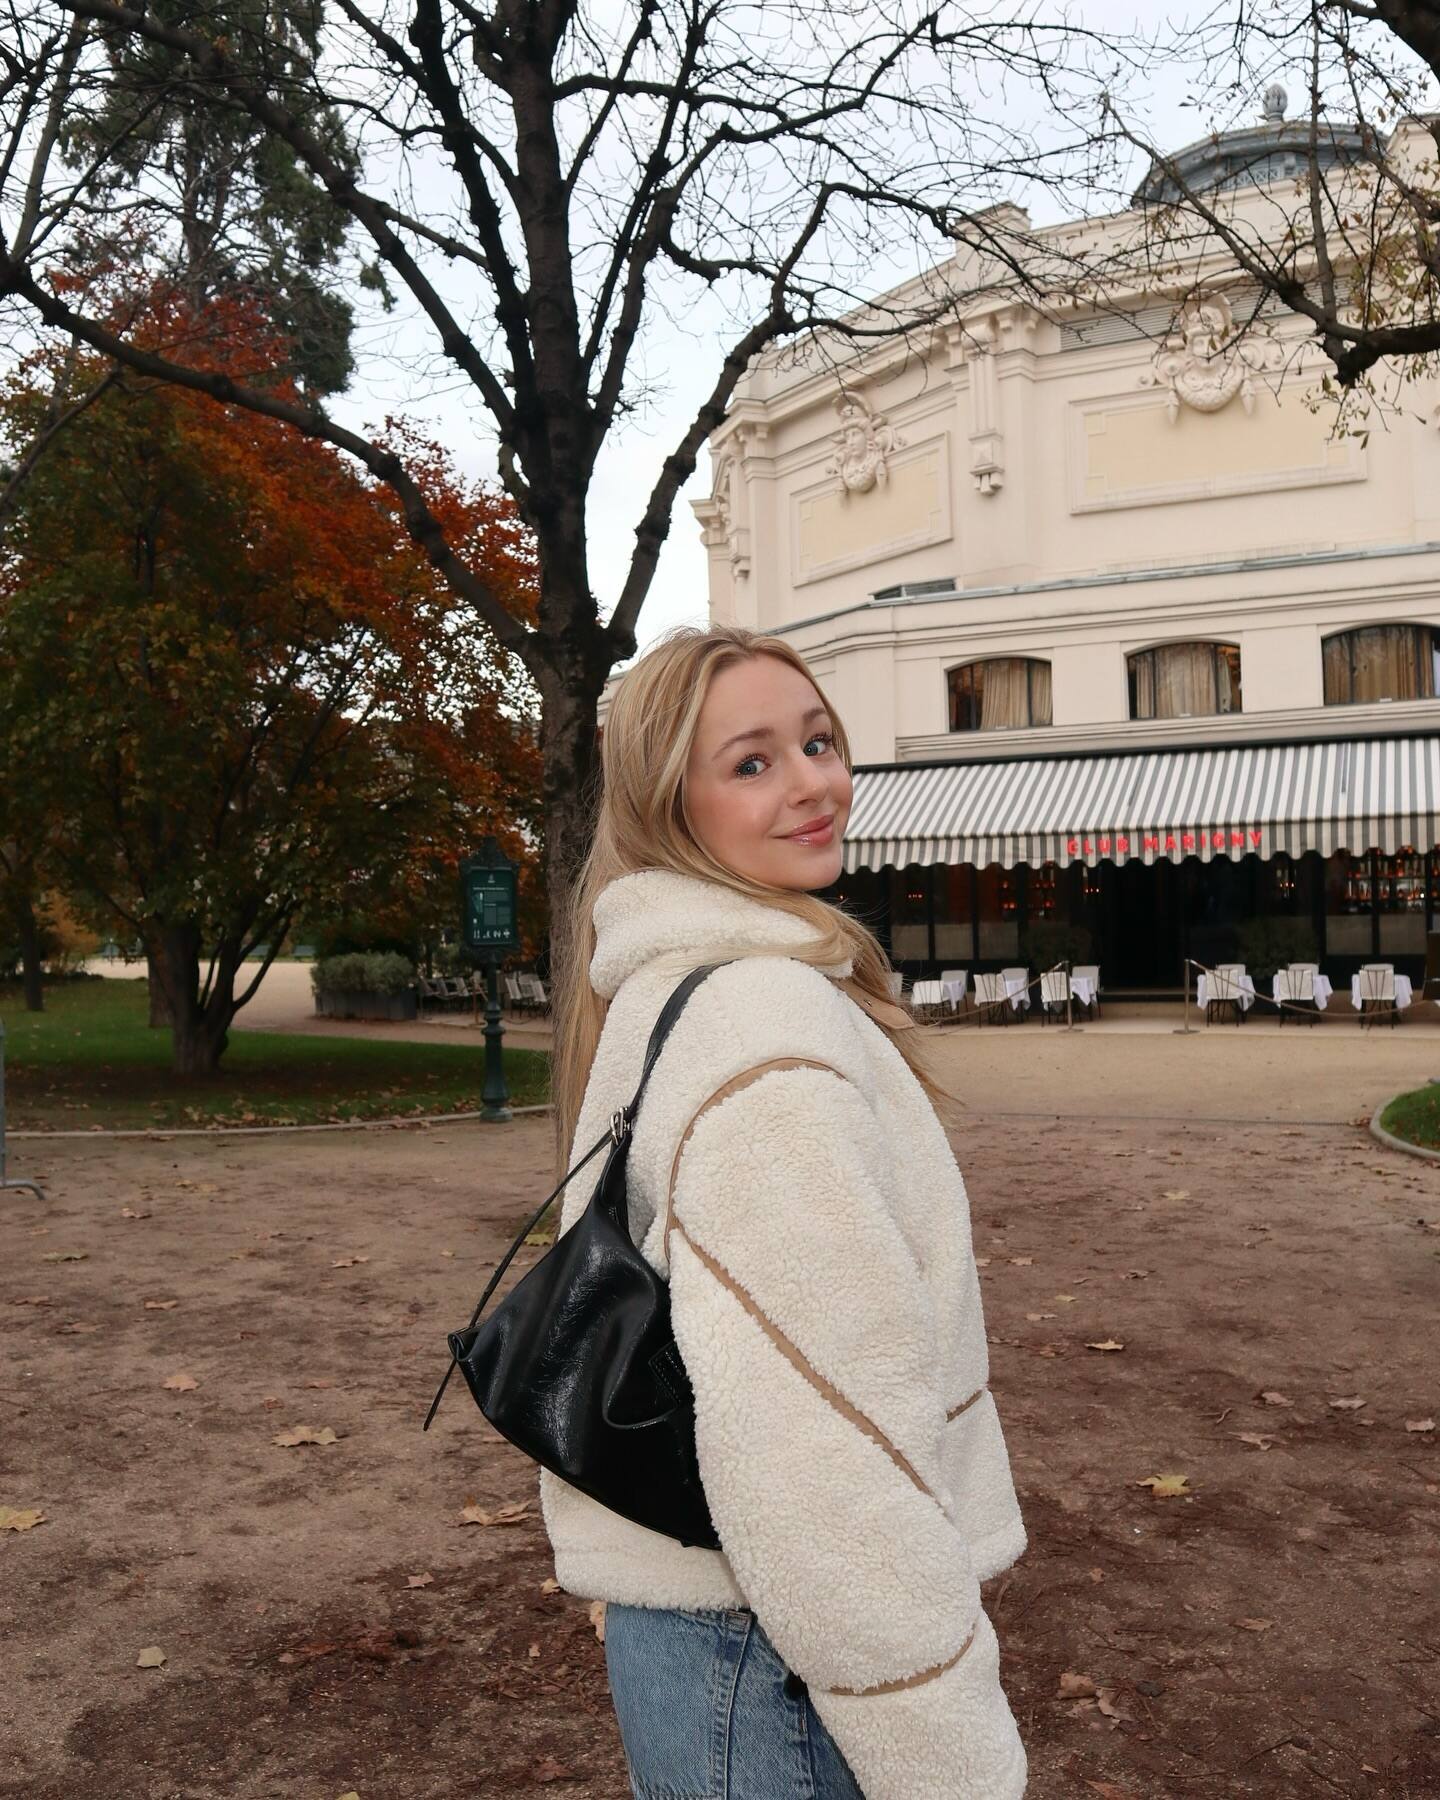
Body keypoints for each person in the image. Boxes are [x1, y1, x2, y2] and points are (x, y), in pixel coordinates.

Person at [544, 624, 1027, 1799]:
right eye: (752, 762)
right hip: (783, 1665)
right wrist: (947, 1745)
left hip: (719, 1642)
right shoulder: (764, 1021)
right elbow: (813, 1445)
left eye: (818, 741)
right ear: (671, 805)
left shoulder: (672, 988)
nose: (813, 783)